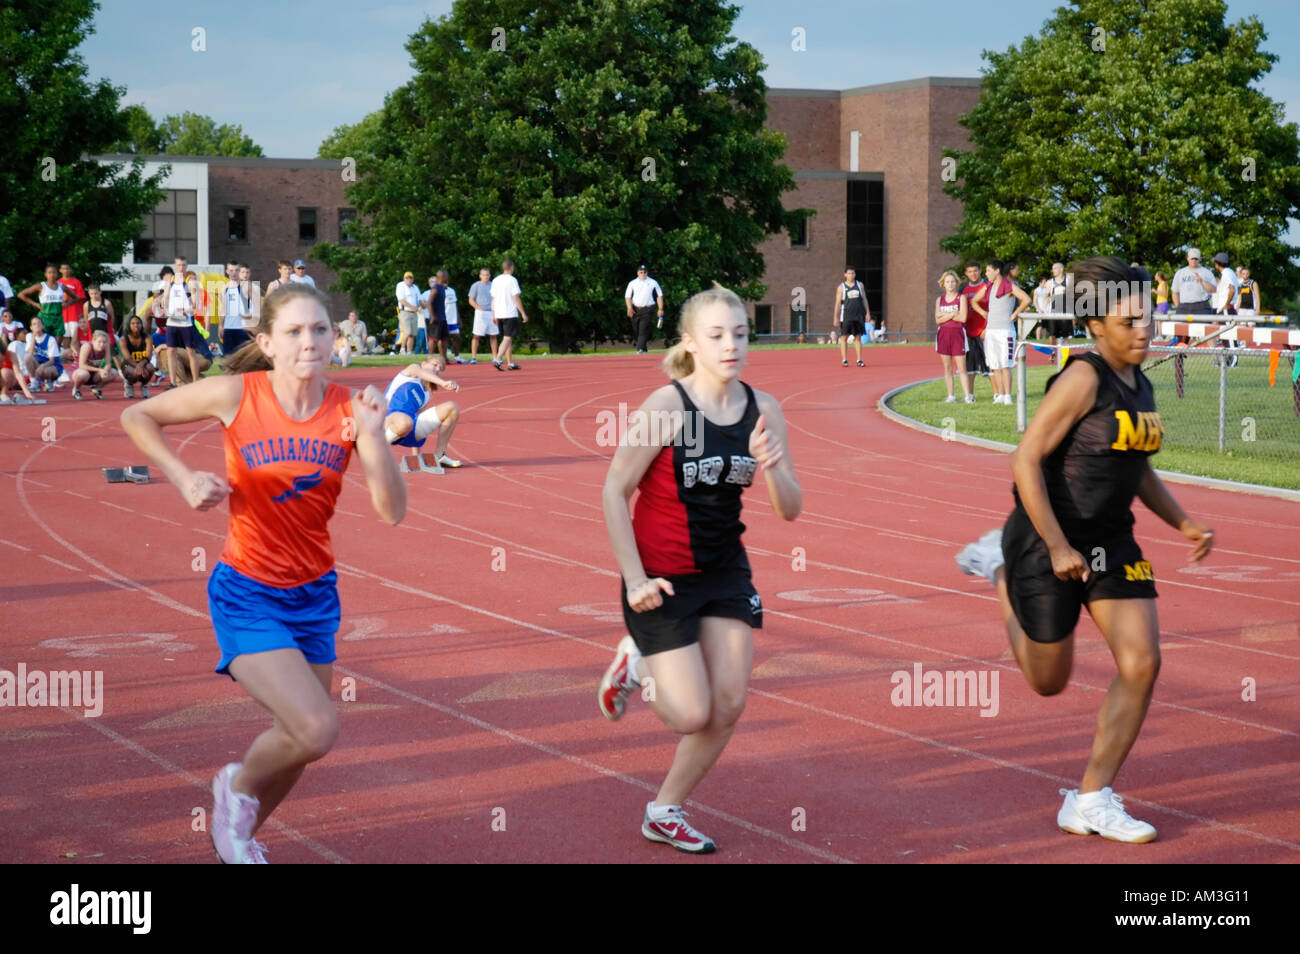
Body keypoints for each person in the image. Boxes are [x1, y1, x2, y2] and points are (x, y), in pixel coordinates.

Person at [119, 283, 406, 865]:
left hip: (315, 595)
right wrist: (183, 478)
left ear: (336, 337)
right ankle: (237, 788)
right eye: (295, 332)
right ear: (268, 344)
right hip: (248, 591)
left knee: (303, 745)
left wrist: (374, 436)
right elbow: (137, 413)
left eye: (321, 329)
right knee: (317, 728)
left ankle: (239, 833)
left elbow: (391, 509)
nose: (310, 342)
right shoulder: (236, 394)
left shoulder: (352, 411)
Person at [955, 256, 1213, 844]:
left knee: (1143, 662)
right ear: (1097, 326)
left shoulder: (1140, 381)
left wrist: (1186, 524)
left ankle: (1091, 798)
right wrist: (1055, 544)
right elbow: (1024, 459)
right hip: (1048, 538)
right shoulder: (1083, 378)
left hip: (1112, 542)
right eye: (1128, 321)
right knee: (1048, 682)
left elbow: (1137, 467)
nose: (1143, 329)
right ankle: (999, 569)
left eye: (1147, 315)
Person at [596, 283, 802, 854]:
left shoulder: (763, 410)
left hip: (724, 573)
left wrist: (774, 466)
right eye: (716, 336)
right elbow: (615, 492)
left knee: (728, 704)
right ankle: (636, 660)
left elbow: (790, 509)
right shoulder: (668, 407)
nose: (731, 345)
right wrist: (634, 579)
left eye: (739, 334)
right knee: (690, 713)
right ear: (691, 343)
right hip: (659, 577)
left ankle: (664, 809)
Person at [383, 354, 462, 474]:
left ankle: (440, 456)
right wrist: (442, 383)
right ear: (424, 364)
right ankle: (375, 447)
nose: (437, 369)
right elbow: (418, 371)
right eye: (435, 364)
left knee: (452, 408)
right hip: (386, 422)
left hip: (407, 427)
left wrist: (417, 458)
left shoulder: (426, 395)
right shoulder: (411, 371)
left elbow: (417, 421)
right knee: (404, 421)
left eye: (440, 369)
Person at [972, 259, 1031, 405]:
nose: (986, 274)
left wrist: (1015, 313)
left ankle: (1007, 396)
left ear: (997, 271)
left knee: (1006, 364)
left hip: (1005, 330)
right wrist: (984, 313)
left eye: (988, 271)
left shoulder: (1009, 286)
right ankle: (999, 395)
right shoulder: (988, 287)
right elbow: (974, 301)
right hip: (991, 330)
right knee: (995, 364)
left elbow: (1026, 299)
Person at [159, 256, 202, 387]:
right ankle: (172, 382)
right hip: (172, 321)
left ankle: (195, 382)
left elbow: (195, 303)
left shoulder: (190, 281)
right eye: (178, 265)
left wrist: (187, 310)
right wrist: (163, 309)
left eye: (183, 265)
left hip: (186, 322)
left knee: (190, 352)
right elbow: (164, 299)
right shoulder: (170, 281)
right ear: (174, 265)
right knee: (171, 351)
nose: (181, 268)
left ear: (187, 266)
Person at [934, 271, 972, 403]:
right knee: (947, 367)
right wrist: (951, 314)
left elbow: (962, 317)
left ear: (956, 283)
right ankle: (951, 395)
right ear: (943, 284)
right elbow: (938, 320)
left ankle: (967, 396)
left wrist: (945, 316)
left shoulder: (961, 298)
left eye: (952, 281)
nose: (950, 284)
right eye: (947, 282)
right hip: (943, 334)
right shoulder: (940, 300)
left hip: (957, 334)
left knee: (962, 368)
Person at [18, 264, 77, 346]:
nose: (52, 274)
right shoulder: (41, 286)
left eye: (54, 272)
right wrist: (36, 304)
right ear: (45, 274)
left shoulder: (61, 286)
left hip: (58, 318)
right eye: (49, 272)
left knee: (57, 345)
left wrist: (65, 305)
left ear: (57, 274)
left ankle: (55, 358)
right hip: (45, 317)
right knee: (43, 343)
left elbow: (75, 297)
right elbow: (21, 294)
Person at [491, 260, 527, 371]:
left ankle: (510, 362)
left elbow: (493, 298)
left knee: (507, 338)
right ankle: (497, 359)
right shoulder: (512, 280)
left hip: (499, 313)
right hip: (509, 312)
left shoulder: (496, 280)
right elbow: (516, 297)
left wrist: (493, 314)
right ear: (511, 267)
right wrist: (523, 313)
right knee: (508, 338)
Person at [960, 261, 990, 394]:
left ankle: (998, 394)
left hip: (984, 330)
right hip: (968, 332)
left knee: (989, 366)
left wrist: (987, 327)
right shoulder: (963, 289)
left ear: (980, 271)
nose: (973, 274)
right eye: (970, 271)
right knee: (969, 367)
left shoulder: (987, 286)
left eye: (975, 271)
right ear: (966, 273)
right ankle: (970, 396)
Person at [833, 267, 869, 367]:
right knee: (844, 337)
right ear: (845, 274)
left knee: (858, 337)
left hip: (859, 315)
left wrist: (867, 313)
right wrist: (835, 317)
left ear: (855, 274)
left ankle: (859, 359)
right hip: (846, 315)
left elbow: (864, 299)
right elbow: (837, 303)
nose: (851, 275)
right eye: (849, 273)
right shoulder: (841, 287)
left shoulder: (860, 285)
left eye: (852, 273)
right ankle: (844, 359)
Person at [71, 328, 120, 400]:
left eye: (104, 342)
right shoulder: (87, 346)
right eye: (99, 342)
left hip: (94, 374)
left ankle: (97, 389)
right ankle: (76, 389)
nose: (102, 344)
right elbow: (82, 365)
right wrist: (99, 370)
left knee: (114, 372)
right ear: (93, 341)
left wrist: (105, 370)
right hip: (80, 372)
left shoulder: (106, 348)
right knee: (84, 374)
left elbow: (108, 363)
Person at [625, 265, 664, 354]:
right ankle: (643, 348)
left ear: (647, 273)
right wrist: (629, 308)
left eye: (644, 272)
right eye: (641, 272)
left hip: (647, 309)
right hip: (635, 309)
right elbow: (628, 297)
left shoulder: (653, 282)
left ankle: (640, 350)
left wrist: (660, 309)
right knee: (636, 330)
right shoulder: (632, 283)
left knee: (643, 329)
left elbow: (659, 295)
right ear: (637, 273)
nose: (643, 274)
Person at [118, 315, 156, 398]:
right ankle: (129, 384)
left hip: (143, 362)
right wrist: (138, 366)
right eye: (133, 323)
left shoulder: (147, 338)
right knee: (135, 373)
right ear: (129, 325)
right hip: (128, 364)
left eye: (138, 323)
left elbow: (149, 356)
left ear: (141, 325)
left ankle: (144, 385)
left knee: (150, 368)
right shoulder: (123, 339)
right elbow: (127, 358)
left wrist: (141, 365)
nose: (136, 325)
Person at [222, 262, 255, 357]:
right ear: (227, 271)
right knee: (229, 357)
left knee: (243, 357)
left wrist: (249, 316)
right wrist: (221, 326)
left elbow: (256, 307)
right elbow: (223, 308)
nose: (234, 273)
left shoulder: (247, 287)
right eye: (231, 270)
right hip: (229, 327)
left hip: (243, 328)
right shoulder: (225, 288)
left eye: (236, 270)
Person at [1170, 248, 1216, 316]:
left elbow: (1213, 290)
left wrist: (1202, 281)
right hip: (1184, 306)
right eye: (1192, 258)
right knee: (1182, 326)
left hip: (1201, 306)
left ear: (1200, 259)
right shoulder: (1180, 273)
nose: (1194, 260)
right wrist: (1178, 307)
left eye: (1196, 258)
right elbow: (1175, 292)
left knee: (1203, 326)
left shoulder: (1207, 272)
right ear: (1188, 258)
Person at [24, 316, 63, 391]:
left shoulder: (50, 339)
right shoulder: (29, 336)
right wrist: (34, 338)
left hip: (51, 365)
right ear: (31, 327)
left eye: (39, 323)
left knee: (44, 371)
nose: (37, 325)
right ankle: (34, 382)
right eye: (34, 324)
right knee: (27, 357)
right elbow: (30, 353)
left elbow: (52, 360)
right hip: (38, 364)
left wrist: (42, 367)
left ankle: (49, 381)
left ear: (43, 326)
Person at [0, 326, 37, 405]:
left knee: (5, 372)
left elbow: (18, 374)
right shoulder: (15, 344)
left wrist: (27, 393)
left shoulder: (11, 355)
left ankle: (3, 393)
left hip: (7, 378)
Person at [467, 268, 496, 364]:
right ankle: (474, 357)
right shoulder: (475, 286)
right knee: (476, 335)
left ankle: (495, 357)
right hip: (480, 312)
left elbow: (496, 299)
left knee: (493, 335)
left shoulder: (493, 285)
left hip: (492, 312)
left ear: (490, 275)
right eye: (484, 275)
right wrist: (478, 308)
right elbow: (471, 300)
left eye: (487, 275)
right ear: (480, 275)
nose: (486, 277)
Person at [58, 264, 86, 347]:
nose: (66, 270)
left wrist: (69, 299)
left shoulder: (76, 282)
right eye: (64, 269)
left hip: (74, 314)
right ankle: (66, 354)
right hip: (63, 314)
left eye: (68, 268)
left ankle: (76, 355)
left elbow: (82, 297)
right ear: (60, 270)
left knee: (75, 336)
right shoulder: (58, 283)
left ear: (71, 270)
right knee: (65, 336)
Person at [395, 271, 420, 355]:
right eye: (407, 278)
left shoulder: (415, 288)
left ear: (413, 279)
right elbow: (401, 300)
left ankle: (409, 351)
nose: (409, 279)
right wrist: (412, 307)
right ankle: (402, 349)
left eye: (410, 278)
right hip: (404, 312)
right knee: (407, 331)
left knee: (412, 334)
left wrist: (419, 306)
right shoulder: (400, 286)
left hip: (414, 313)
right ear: (404, 279)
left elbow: (419, 299)